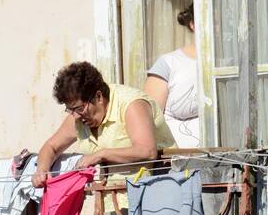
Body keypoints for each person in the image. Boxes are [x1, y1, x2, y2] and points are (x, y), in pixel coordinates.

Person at [32, 61, 175, 188]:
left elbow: (147, 151)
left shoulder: (131, 105)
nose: (75, 115)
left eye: (79, 108)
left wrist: (101, 155)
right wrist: (42, 170)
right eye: (70, 109)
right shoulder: (78, 115)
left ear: (98, 97)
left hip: (157, 195)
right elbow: (51, 147)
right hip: (112, 200)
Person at [143, 3, 200, 149]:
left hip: (226, 160)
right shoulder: (169, 63)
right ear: (192, 24)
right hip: (178, 163)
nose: (217, 27)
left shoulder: (228, 64)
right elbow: (149, 118)